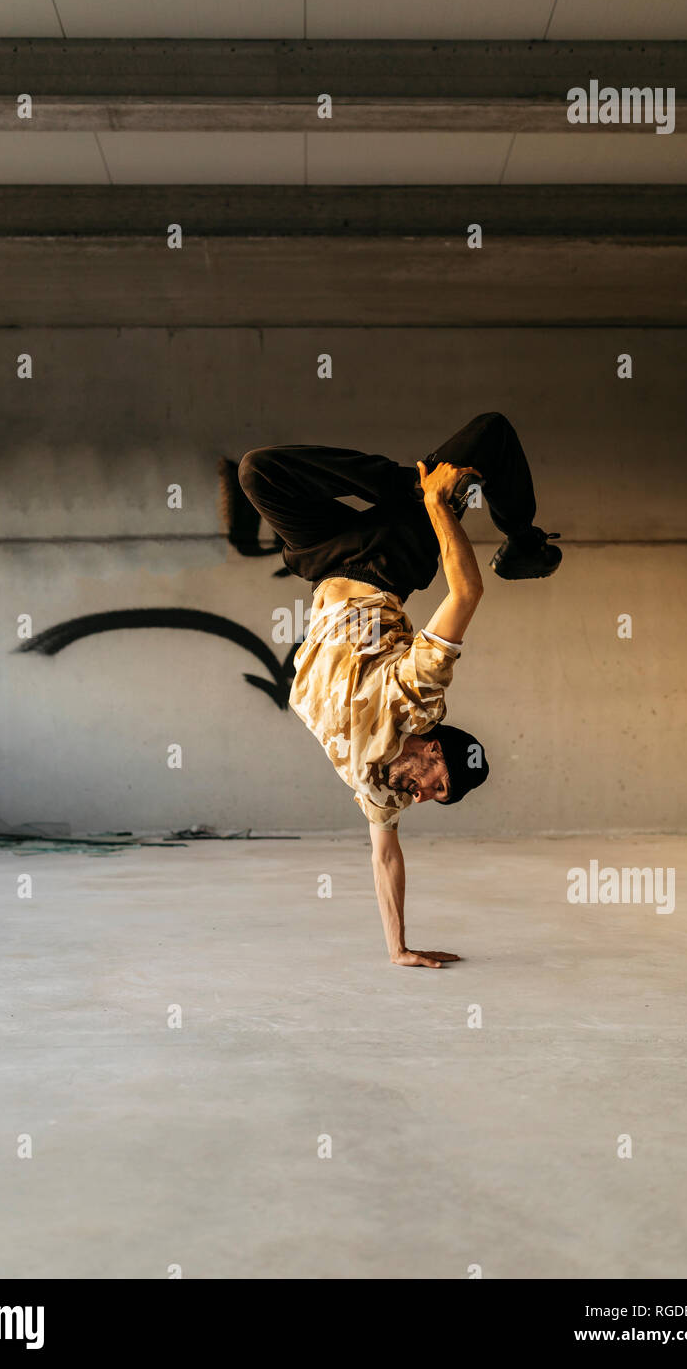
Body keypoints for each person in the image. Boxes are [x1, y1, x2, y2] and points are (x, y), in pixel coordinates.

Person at [229, 411, 561, 968]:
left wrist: (397, 946)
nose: (427, 797)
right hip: (390, 557)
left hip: (324, 561)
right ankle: (521, 540)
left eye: (436, 798)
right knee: (490, 435)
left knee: (259, 473)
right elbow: (466, 594)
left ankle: (419, 483)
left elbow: (385, 858)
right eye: (439, 784)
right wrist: (435, 508)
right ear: (434, 748)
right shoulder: (419, 699)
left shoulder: (383, 789)